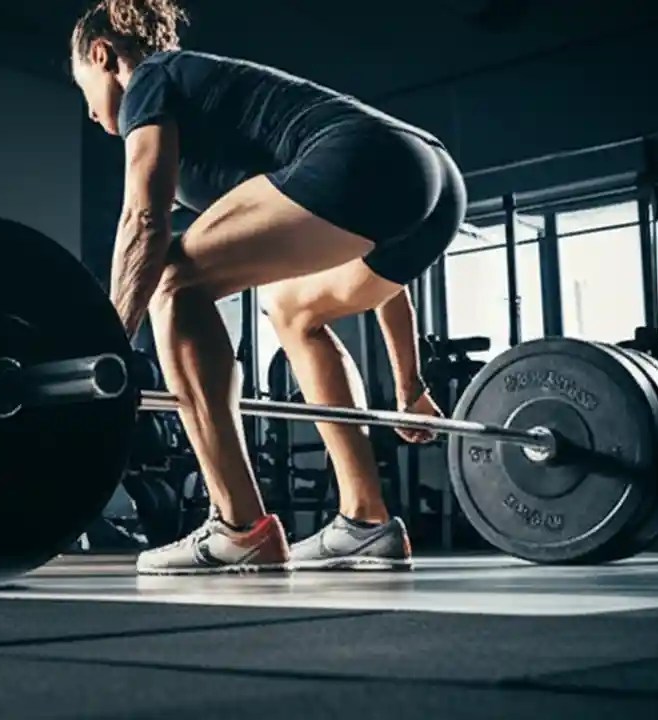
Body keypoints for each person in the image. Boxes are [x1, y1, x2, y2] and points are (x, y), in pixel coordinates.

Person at [70, 0, 467, 575]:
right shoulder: (223, 120)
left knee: (175, 280)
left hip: (365, 161)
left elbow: (143, 222)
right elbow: (377, 266)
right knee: (294, 311)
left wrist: (106, 346)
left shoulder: (149, 80)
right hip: (429, 176)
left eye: (83, 86)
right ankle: (367, 521)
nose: (89, 112)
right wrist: (409, 386)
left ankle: (238, 527)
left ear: (103, 56)